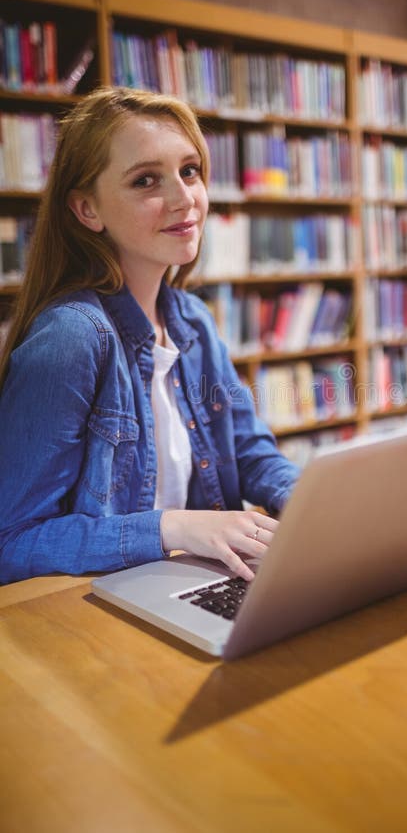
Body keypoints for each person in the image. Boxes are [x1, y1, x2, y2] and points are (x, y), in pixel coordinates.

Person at [0, 86, 300, 585]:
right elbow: (10, 541)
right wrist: (172, 528)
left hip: (194, 585)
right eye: (146, 180)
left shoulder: (194, 321)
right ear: (86, 210)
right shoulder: (72, 338)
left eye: (190, 171)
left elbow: (249, 452)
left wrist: (316, 501)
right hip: (96, 614)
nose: (185, 199)